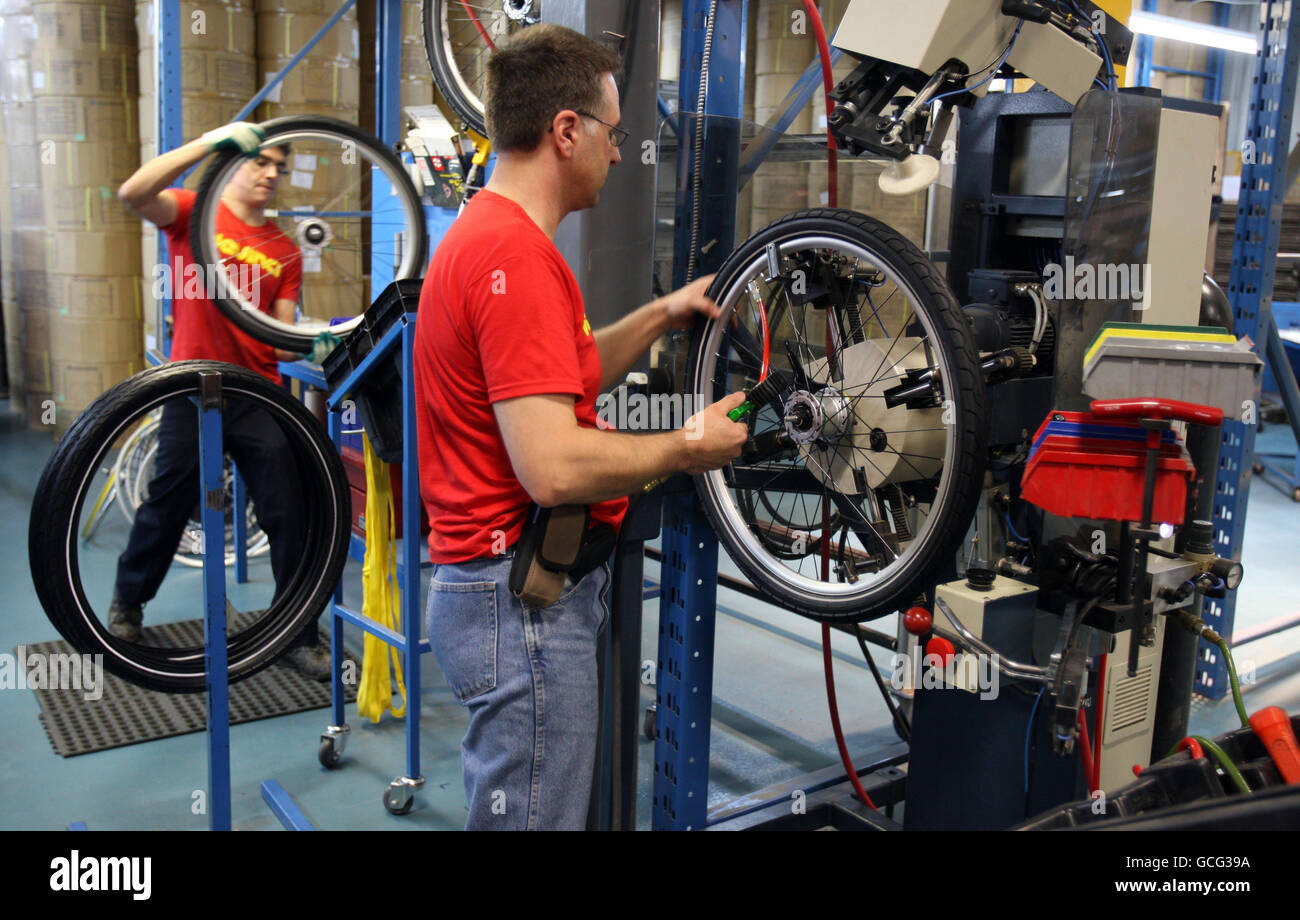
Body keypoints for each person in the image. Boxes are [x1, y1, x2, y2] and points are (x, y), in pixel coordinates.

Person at [414, 24, 750, 830]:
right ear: (567, 131)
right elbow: (554, 469)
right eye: (613, 131)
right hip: (522, 602)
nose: (618, 151)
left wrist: (664, 314)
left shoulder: (492, 239)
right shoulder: (516, 261)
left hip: (499, 593)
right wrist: (690, 445)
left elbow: (557, 375)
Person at [110, 123, 332, 680]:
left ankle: (299, 630)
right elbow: (131, 192)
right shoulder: (192, 214)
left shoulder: (283, 250)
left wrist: (318, 337)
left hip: (257, 393)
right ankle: (128, 606)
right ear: (234, 163)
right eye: (262, 162)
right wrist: (212, 141)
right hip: (191, 388)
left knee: (289, 513)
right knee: (166, 501)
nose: (271, 174)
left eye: (280, 166)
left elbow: (281, 335)